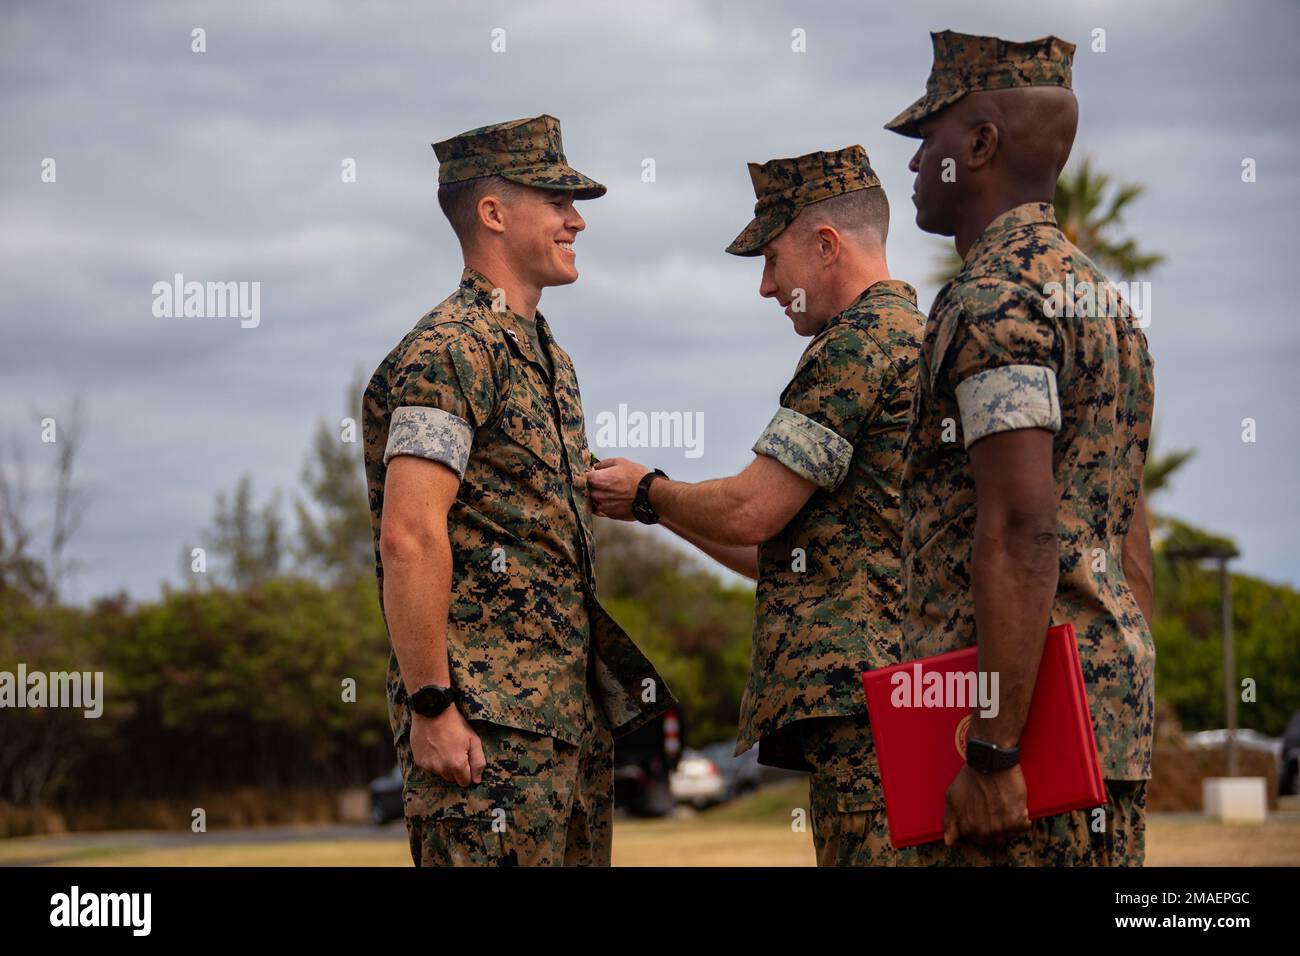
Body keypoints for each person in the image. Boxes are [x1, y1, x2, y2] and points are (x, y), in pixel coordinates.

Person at [588, 146, 924, 865]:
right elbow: (778, 550)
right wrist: (658, 507)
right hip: (902, 697)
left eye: (773, 260)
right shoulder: (916, 338)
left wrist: (649, 491)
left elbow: (751, 510)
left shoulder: (858, 347)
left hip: (869, 709)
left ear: (826, 245)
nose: (767, 287)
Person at [361, 114, 673, 867]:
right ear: (493, 214)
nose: (577, 221)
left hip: (565, 725)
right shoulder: (449, 349)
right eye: (556, 201)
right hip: (484, 732)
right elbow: (410, 534)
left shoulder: (545, 355)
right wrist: (433, 706)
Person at [884, 30, 1156, 865]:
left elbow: (1020, 525)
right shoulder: (1099, 297)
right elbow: (1130, 533)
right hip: (1097, 720)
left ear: (980, 144)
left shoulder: (995, 296)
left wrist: (994, 749)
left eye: (927, 141)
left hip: (1022, 749)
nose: (915, 164)